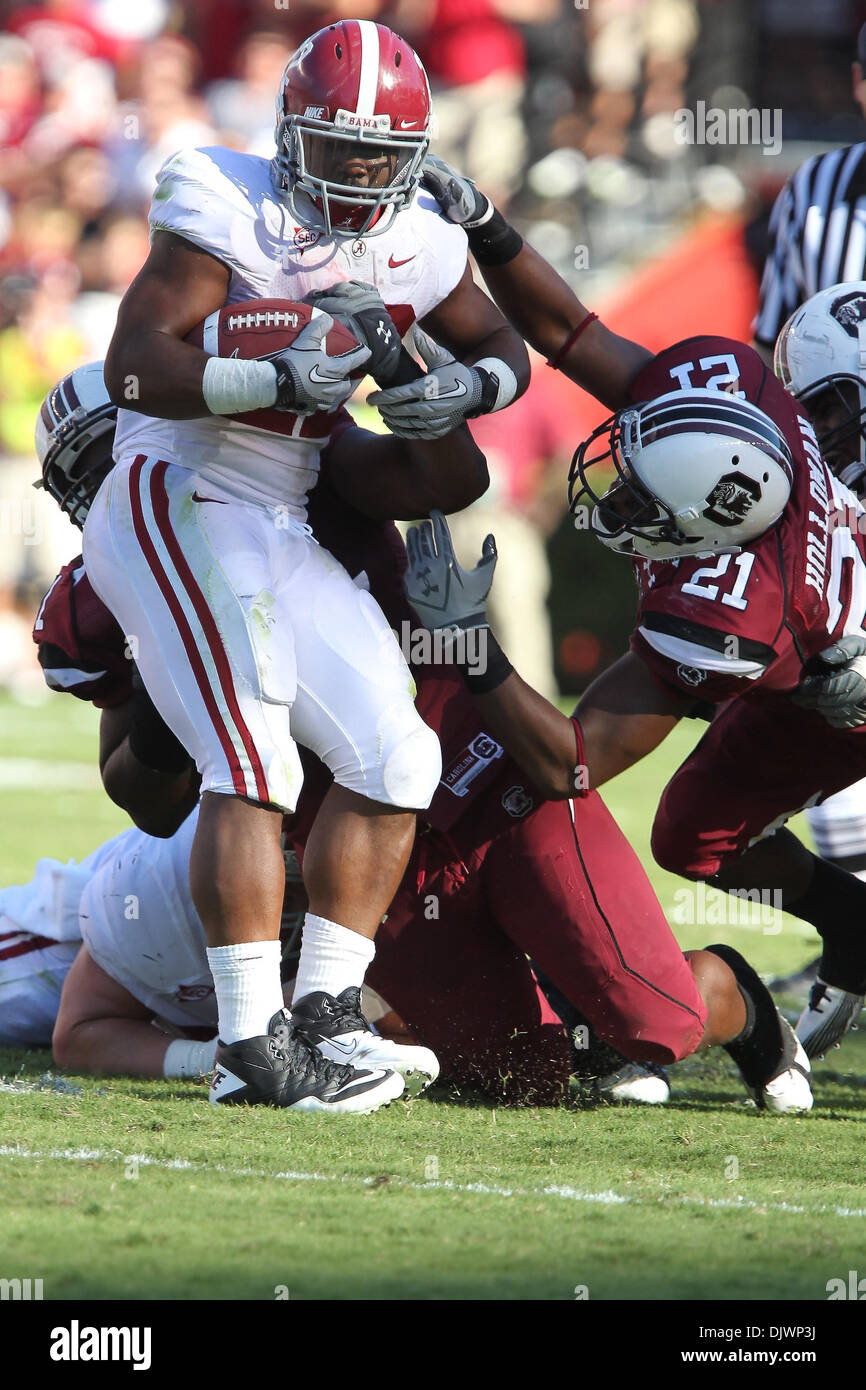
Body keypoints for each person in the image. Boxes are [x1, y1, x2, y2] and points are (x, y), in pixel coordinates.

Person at [84, 19, 529, 1113]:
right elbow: (132, 371)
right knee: (255, 755)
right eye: (338, 150)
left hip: (278, 513)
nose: (359, 176)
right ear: (290, 135)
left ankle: (327, 1008)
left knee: (396, 752)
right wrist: (266, 376)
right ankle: (251, 1039)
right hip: (173, 490)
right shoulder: (220, 200)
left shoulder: (420, 241)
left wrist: (465, 394)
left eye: (381, 157)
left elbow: (503, 350)